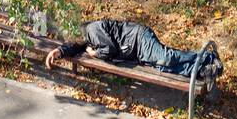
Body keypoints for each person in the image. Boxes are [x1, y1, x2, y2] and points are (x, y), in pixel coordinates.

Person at [45, 19, 222, 80]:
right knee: (165, 67)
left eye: (70, 36)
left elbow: (110, 49)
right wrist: (58, 51)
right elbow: (73, 46)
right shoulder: (84, 39)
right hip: (134, 52)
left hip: (139, 38)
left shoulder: (92, 30)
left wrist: (95, 54)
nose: (71, 41)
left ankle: (207, 56)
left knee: (165, 58)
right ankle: (202, 70)